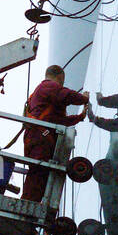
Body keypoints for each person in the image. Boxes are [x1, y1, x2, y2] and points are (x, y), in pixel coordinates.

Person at [23, 65, 88, 203]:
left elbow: (60, 121)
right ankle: (27, 205)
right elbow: (66, 95)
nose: (62, 84)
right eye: (62, 82)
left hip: (39, 138)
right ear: (60, 77)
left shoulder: (39, 96)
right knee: (38, 174)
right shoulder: (48, 86)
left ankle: (31, 203)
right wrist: (84, 99)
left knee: (40, 176)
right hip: (41, 139)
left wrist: (80, 117)